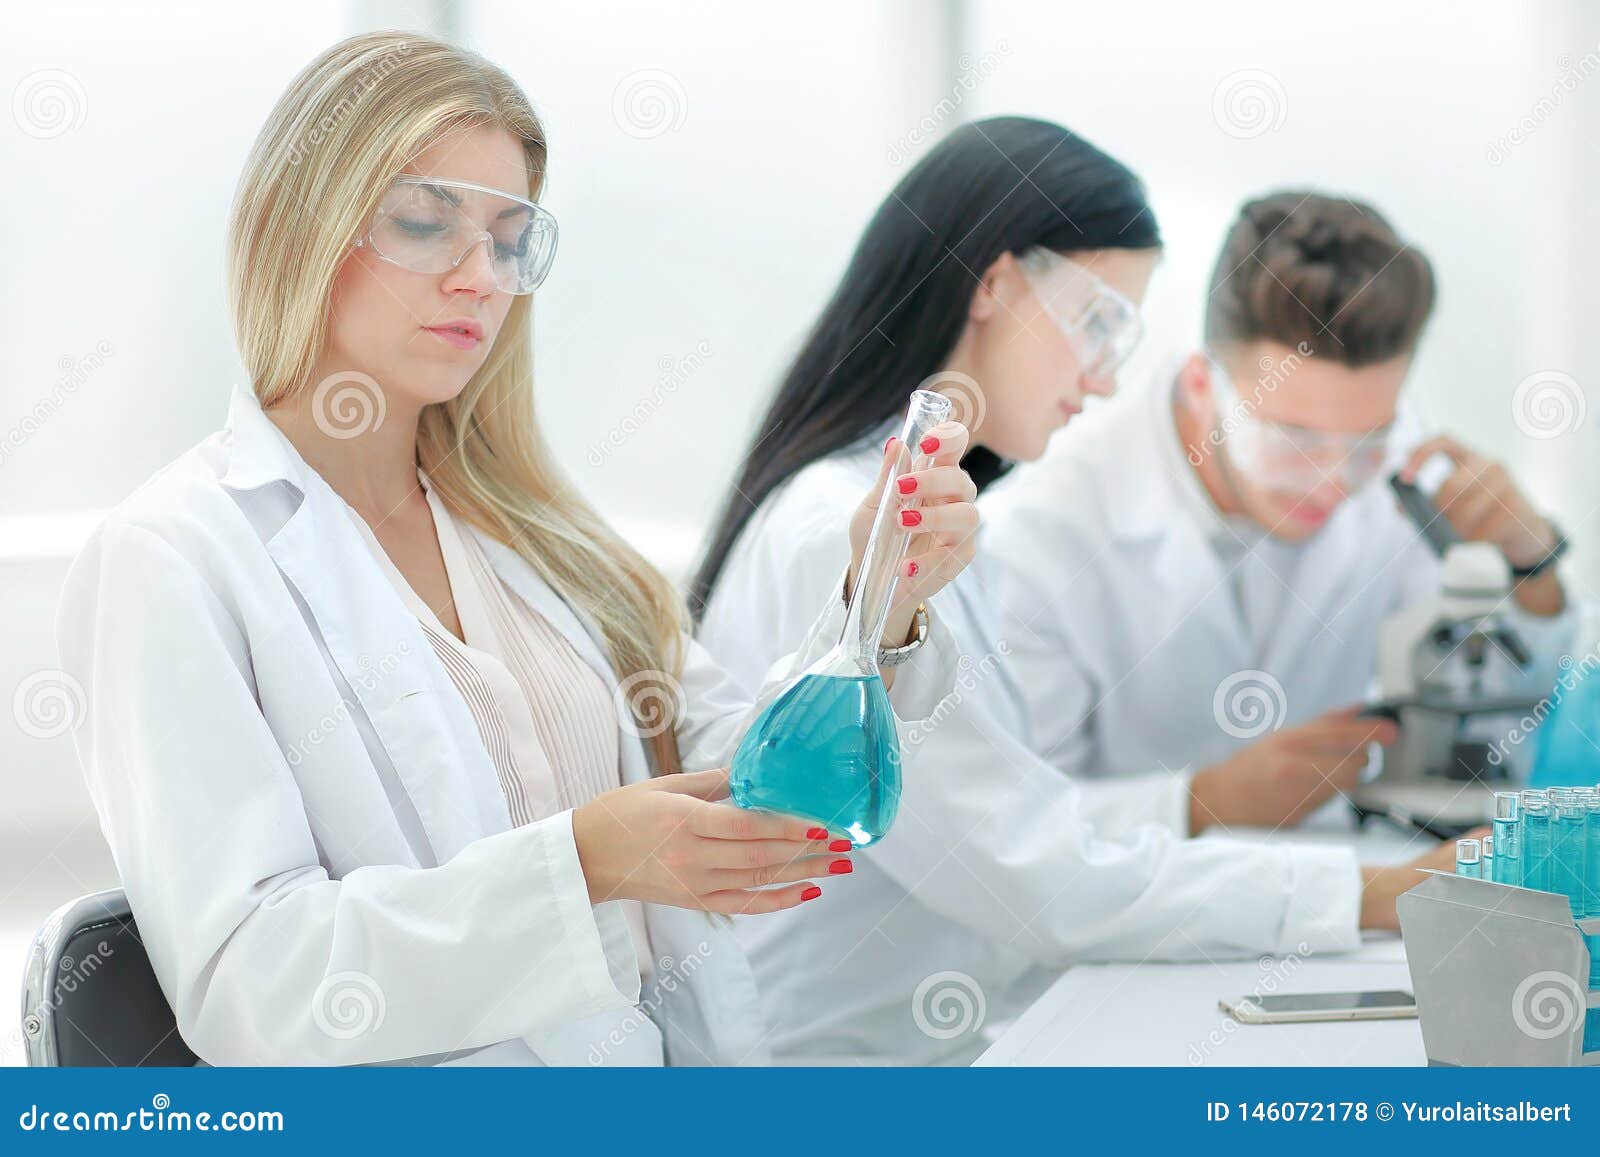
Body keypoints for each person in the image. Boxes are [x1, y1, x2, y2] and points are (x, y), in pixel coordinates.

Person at [52, 31, 978, 1067]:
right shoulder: (173, 556)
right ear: (297, 227)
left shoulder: (536, 537)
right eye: (423, 221)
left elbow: (752, 779)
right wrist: (582, 862)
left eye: (507, 237)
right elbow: (257, 987)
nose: (478, 276)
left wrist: (876, 595)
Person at [694, 121, 1454, 1066]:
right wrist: (1376, 894)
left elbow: (1026, 818)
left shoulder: (927, 522)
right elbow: (1032, 871)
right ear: (996, 282)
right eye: (1097, 324)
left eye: (1122, 337)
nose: (1103, 378)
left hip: (951, 1033)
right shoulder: (839, 532)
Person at [982, 191, 1573, 833]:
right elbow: (1012, 831)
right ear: (1204, 385)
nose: (1334, 483)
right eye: (1295, 440)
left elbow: (1515, 727)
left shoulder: (1398, 475)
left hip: (1343, 898)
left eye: (1369, 440)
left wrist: (1531, 563)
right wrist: (1203, 804)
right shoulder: (1046, 532)